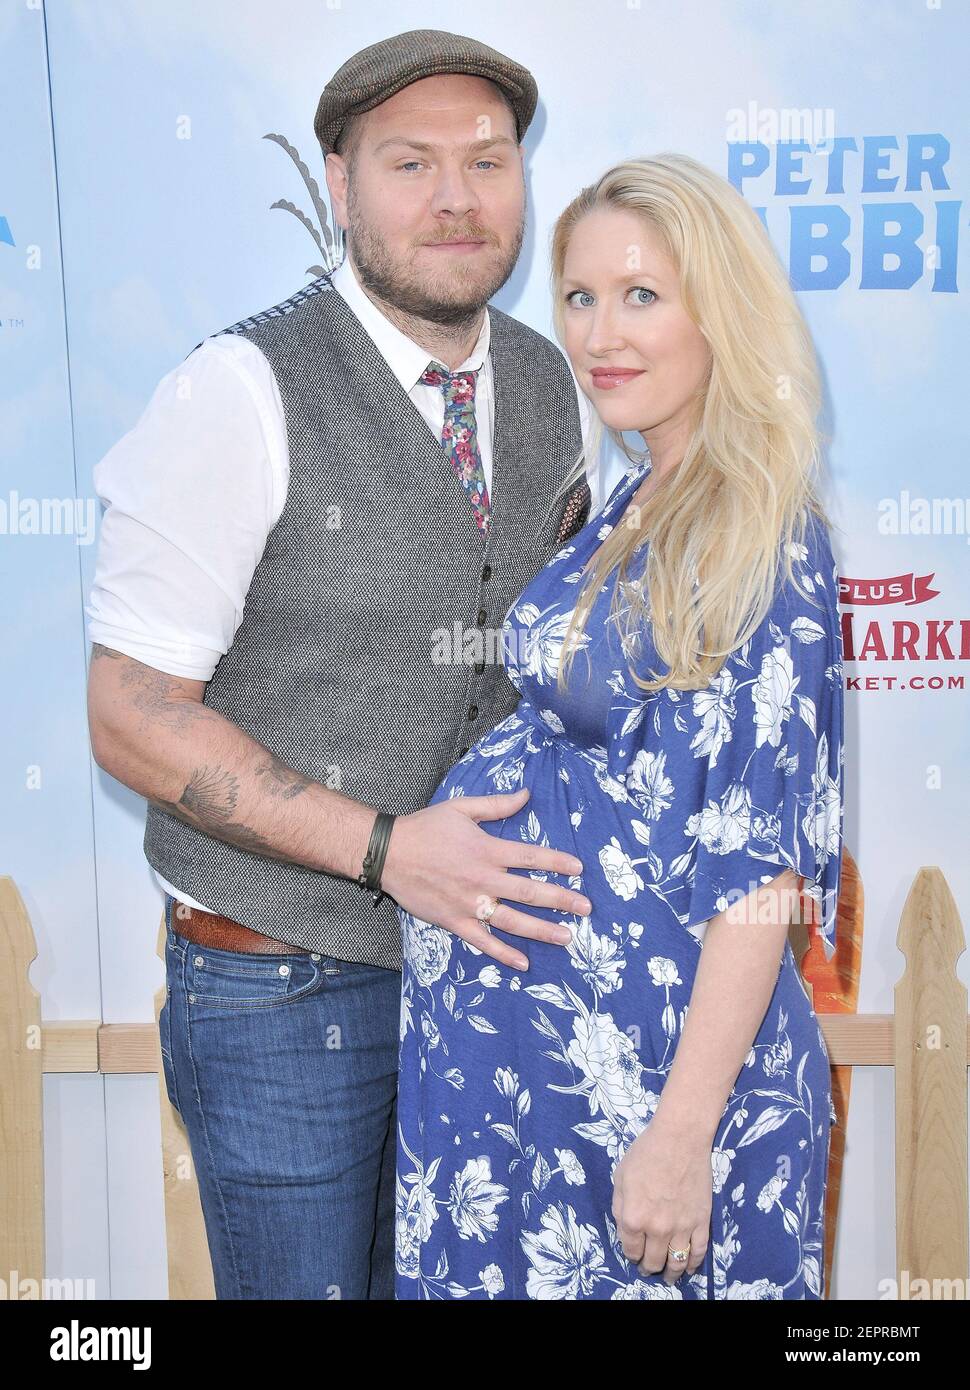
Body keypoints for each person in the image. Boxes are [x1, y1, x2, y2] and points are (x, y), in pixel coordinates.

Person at [85, 29, 597, 1299]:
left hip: (480, 981)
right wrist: (384, 849)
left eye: (487, 161)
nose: (455, 199)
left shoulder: (560, 388)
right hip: (276, 990)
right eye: (409, 163)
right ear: (338, 184)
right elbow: (130, 714)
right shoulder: (237, 393)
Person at [394, 153, 845, 1301]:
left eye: (642, 294)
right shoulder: (640, 496)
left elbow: (757, 866)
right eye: (582, 297)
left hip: (652, 1093)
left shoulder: (758, 526)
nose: (602, 332)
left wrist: (679, 1135)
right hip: (539, 1085)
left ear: (720, 311)